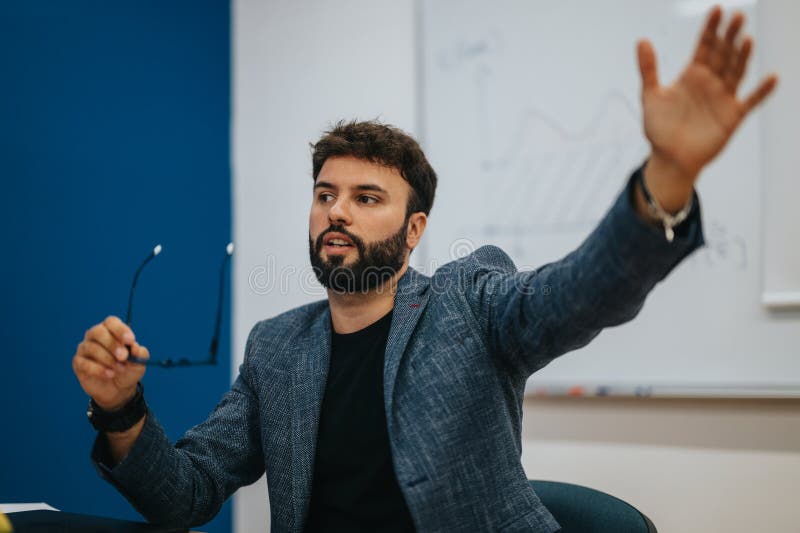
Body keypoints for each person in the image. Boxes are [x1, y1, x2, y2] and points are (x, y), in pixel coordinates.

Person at [72, 7, 777, 532]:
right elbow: (186, 494)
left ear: (414, 230)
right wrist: (120, 407)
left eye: (365, 197)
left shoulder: (469, 302)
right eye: (325, 195)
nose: (335, 213)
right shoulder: (275, 345)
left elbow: (583, 293)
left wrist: (665, 181)